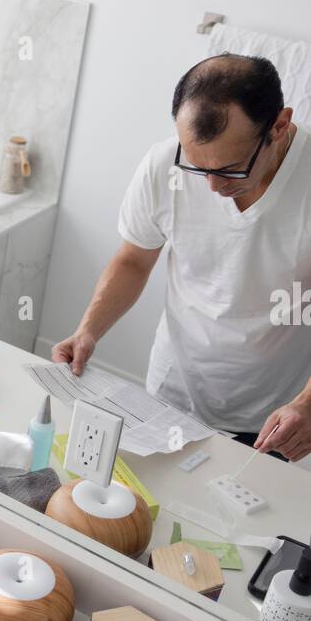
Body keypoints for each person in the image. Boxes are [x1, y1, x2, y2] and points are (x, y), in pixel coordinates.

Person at [52, 54, 311, 461]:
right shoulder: (162, 164)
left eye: (231, 168)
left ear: (279, 126)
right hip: (172, 391)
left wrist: (307, 402)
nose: (211, 186)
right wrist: (89, 329)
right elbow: (134, 260)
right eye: (196, 166)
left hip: (274, 415)